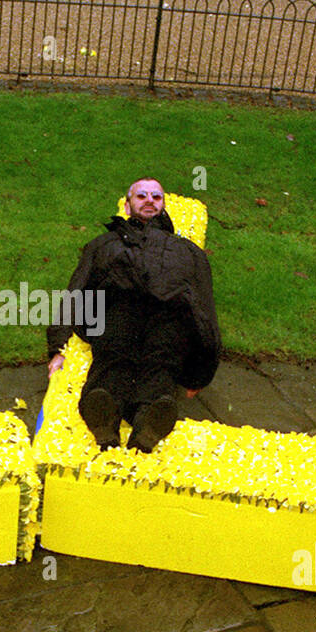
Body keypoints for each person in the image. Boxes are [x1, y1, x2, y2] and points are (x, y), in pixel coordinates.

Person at [46, 178, 221, 452]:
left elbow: (203, 307)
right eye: (141, 196)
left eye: (156, 197)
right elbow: (76, 290)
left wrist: (201, 371)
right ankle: (105, 411)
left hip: (169, 316)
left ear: (163, 207)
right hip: (118, 309)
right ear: (127, 206)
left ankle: (149, 420)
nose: (149, 200)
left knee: (162, 361)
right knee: (114, 355)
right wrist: (58, 346)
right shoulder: (104, 243)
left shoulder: (188, 252)